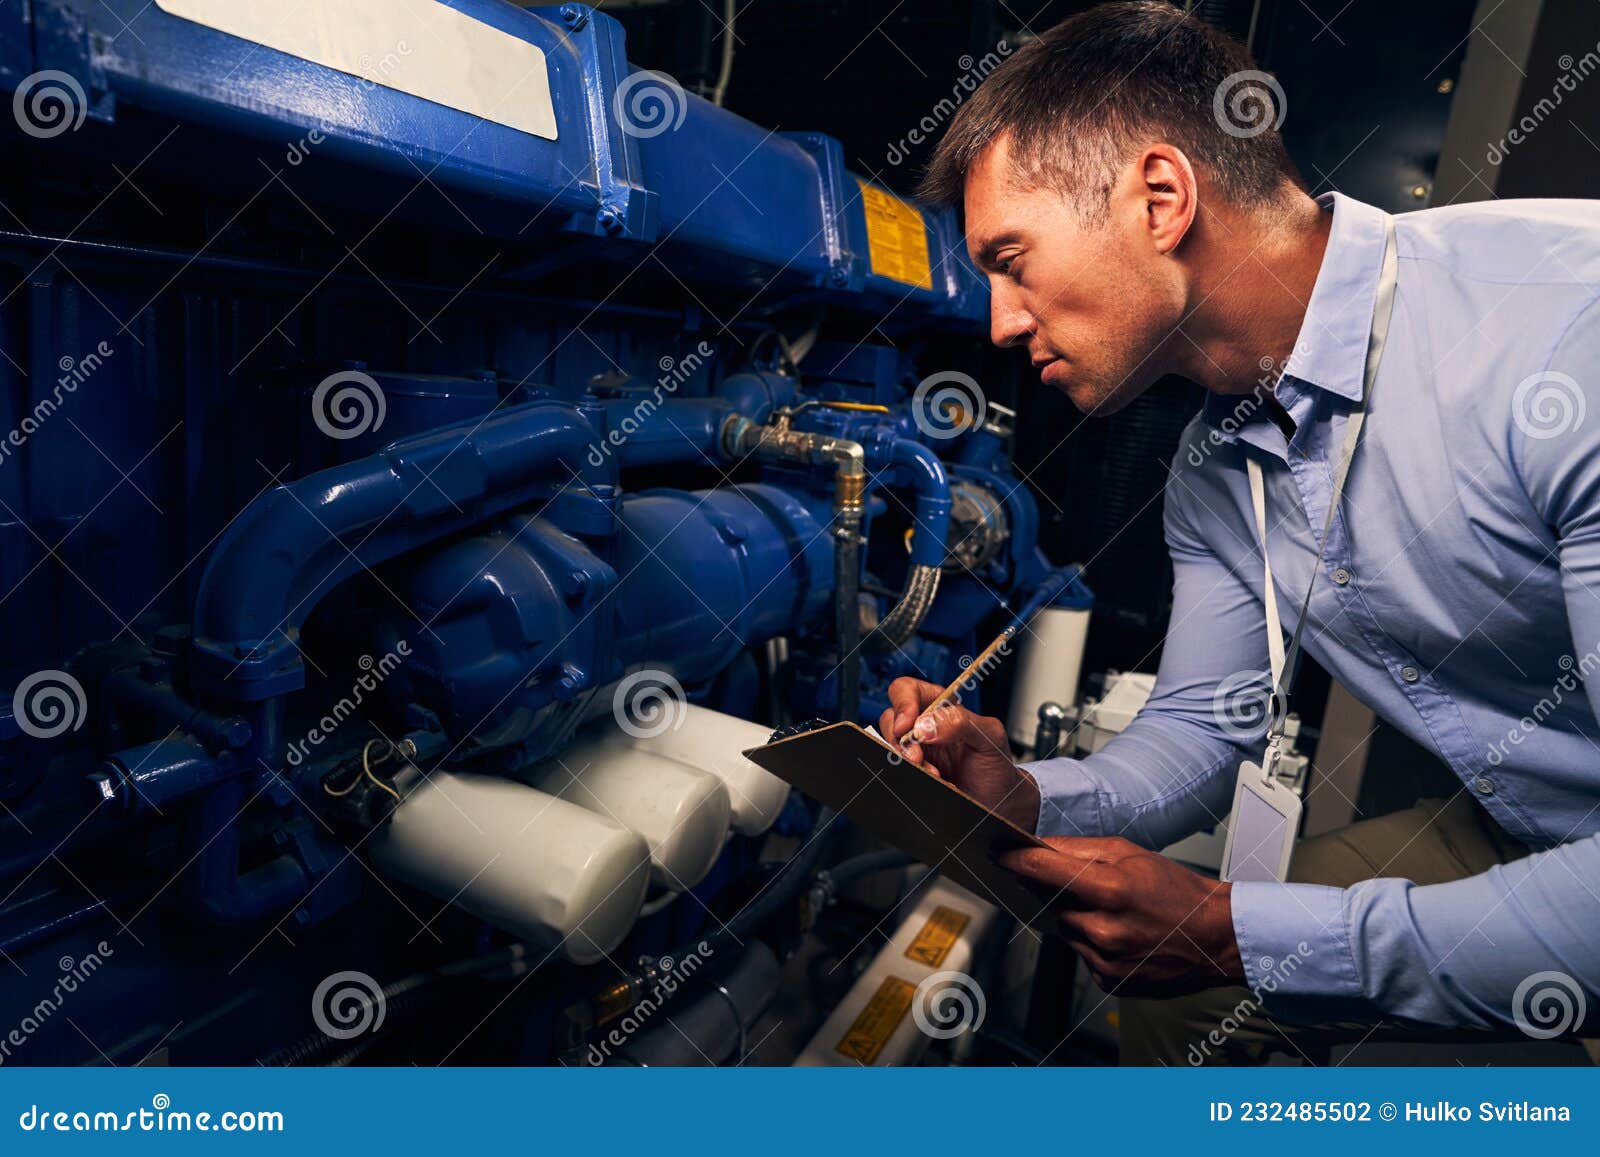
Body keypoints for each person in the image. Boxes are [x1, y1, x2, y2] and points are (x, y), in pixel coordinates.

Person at [880, 1, 1599, 1064]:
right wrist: (1026, 795)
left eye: (1012, 258)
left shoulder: (1562, 334)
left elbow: (1244, 932)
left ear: (1161, 199)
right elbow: (1201, 734)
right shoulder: (1212, 467)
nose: (1000, 321)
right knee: (1183, 1007)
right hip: (1529, 818)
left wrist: (1235, 931)